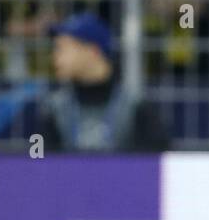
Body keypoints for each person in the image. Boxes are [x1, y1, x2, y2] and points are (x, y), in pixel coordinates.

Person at [34, 12, 168, 152]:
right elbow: (39, 168)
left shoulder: (137, 109)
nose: (55, 57)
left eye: (62, 48)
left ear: (93, 51)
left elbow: (155, 165)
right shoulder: (53, 110)